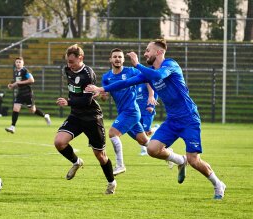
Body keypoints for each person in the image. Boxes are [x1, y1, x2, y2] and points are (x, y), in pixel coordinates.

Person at [85, 39, 226, 199]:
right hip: (172, 120)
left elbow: (159, 75)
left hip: (189, 118)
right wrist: (102, 88)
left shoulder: (170, 65)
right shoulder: (149, 72)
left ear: (159, 52)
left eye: (147, 50)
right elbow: (125, 83)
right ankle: (180, 160)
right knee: (152, 149)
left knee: (194, 160)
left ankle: (217, 184)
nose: (145, 53)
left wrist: (137, 64)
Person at [54, 44, 116, 194]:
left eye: (72, 61)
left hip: (92, 118)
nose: (69, 64)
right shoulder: (67, 70)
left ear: (80, 58)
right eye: (68, 61)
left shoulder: (88, 75)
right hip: (76, 115)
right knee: (59, 142)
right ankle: (77, 162)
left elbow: (86, 101)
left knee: (100, 155)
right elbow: (75, 92)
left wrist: (68, 102)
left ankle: (111, 182)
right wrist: (71, 100)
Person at [100, 48, 151, 176]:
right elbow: (105, 97)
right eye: (115, 57)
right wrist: (102, 95)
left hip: (131, 111)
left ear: (123, 59)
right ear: (110, 59)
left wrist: (151, 95)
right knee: (144, 142)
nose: (117, 59)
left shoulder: (131, 71)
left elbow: (147, 78)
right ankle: (176, 158)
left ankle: (120, 165)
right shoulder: (106, 77)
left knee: (112, 133)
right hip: (123, 112)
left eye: (120, 57)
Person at [5, 57, 51, 134]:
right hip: (20, 93)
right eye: (17, 62)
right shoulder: (16, 72)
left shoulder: (24, 70)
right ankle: (12, 127)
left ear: (23, 63)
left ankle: (45, 115)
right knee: (15, 108)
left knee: (32, 110)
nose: (18, 63)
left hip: (27, 93)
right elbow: (19, 82)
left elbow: (31, 80)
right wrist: (12, 85)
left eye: (20, 62)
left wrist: (19, 83)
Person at [135, 83, 159, 156]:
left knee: (146, 132)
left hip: (147, 111)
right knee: (140, 132)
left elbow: (155, 94)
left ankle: (156, 128)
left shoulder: (147, 84)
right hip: (138, 112)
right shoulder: (135, 85)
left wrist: (151, 106)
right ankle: (144, 150)